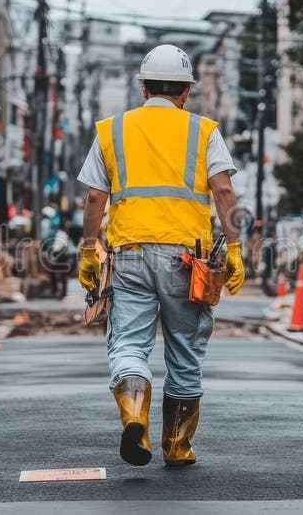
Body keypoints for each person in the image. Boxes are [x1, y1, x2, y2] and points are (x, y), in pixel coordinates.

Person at [76, 44, 245, 467]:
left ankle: (134, 413)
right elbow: (224, 190)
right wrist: (237, 247)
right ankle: (177, 445)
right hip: (186, 262)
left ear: (144, 86)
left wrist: (87, 250)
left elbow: (96, 196)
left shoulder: (112, 130)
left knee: (129, 345)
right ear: (186, 91)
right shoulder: (204, 131)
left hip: (129, 254)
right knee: (184, 352)